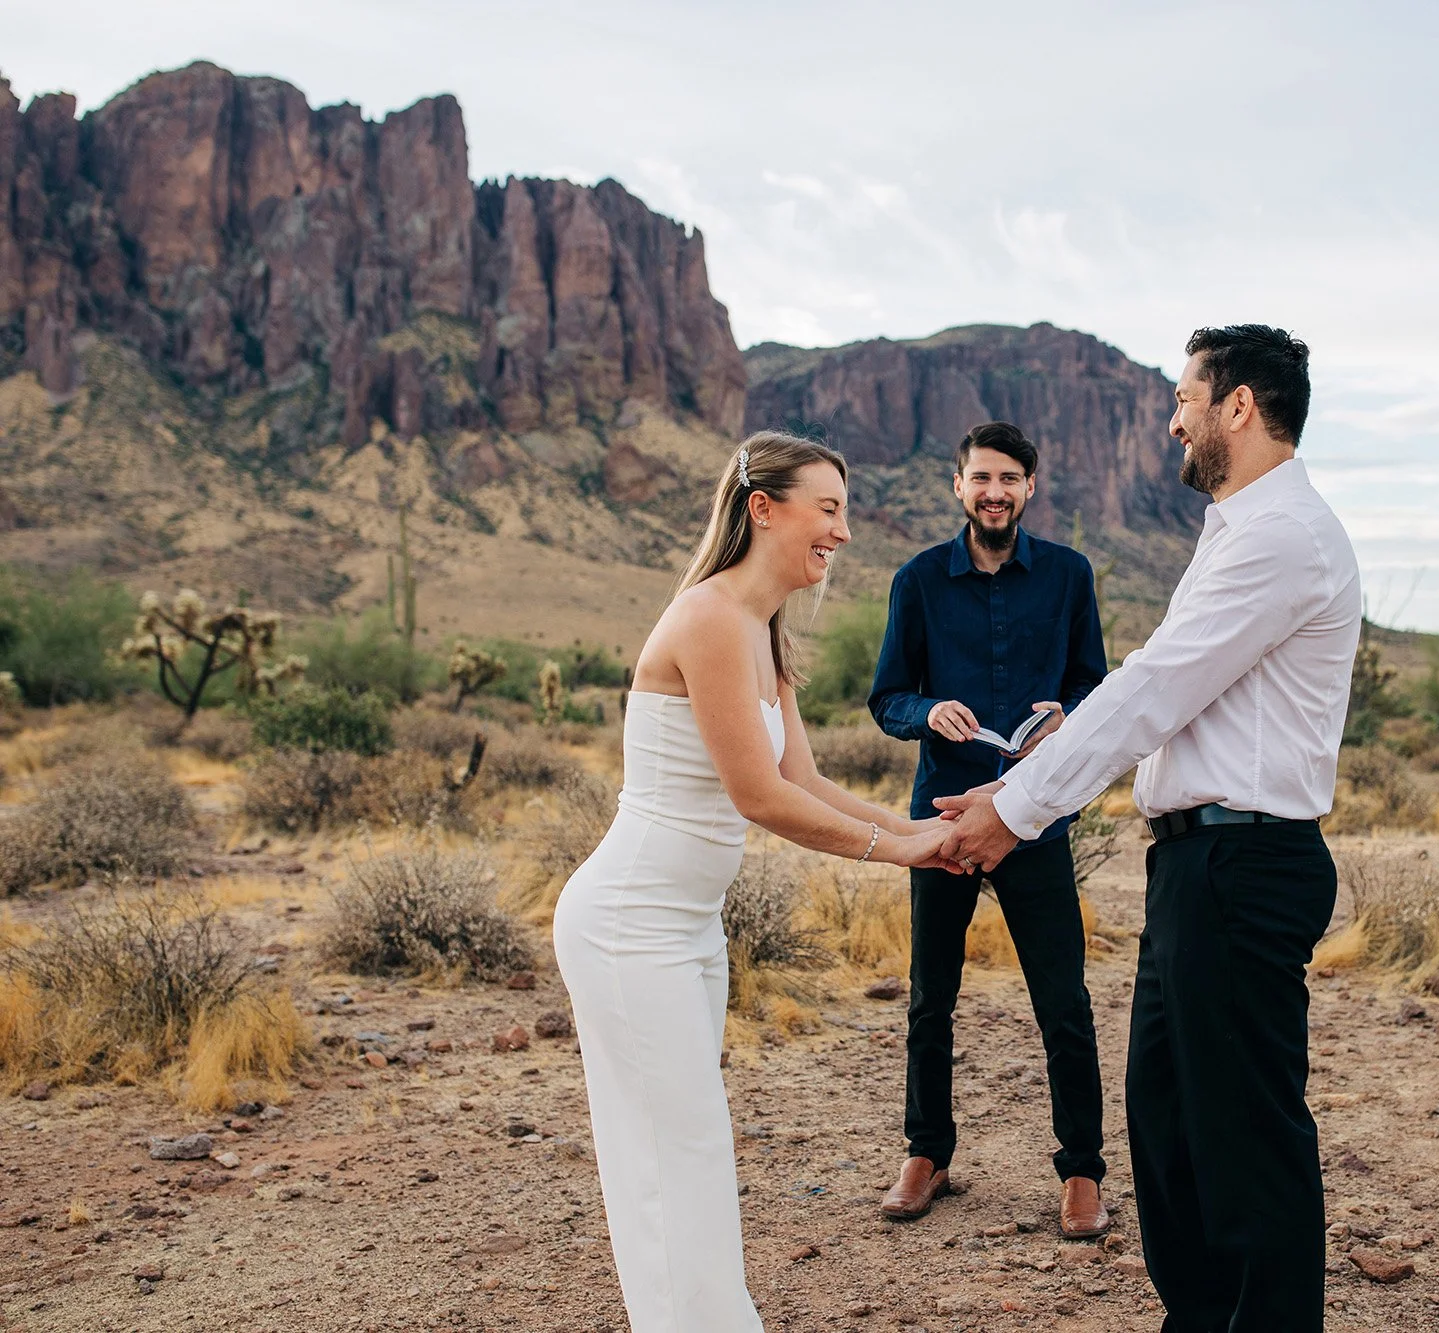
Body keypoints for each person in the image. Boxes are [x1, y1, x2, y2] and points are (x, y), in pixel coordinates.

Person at [936, 327, 1361, 1331]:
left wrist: (1013, 809)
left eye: (1183, 397)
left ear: (1239, 406)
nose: (1170, 418)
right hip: (1199, 865)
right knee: (1170, 1128)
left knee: (1244, 1137)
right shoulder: (1242, 531)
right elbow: (1165, 681)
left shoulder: (1278, 536)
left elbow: (1158, 688)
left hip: (1242, 864)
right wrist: (1055, 739)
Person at [552, 431, 953, 1333]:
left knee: (685, 1148)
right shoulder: (707, 617)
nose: (843, 533)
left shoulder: (760, 632)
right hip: (629, 924)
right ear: (763, 507)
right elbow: (760, 796)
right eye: (828, 509)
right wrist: (905, 855)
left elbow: (807, 781)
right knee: (673, 1146)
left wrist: (928, 829)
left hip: (690, 927)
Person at [867, 421, 1114, 1237]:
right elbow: (887, 696)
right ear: (958, 486)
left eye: (1009, 478)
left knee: (1064, 1001)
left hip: (1034, 815)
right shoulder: (918, 581)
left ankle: (1081, 1169)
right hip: (943, 815)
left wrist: (1064, 714)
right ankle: (927, 1152)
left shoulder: (1070, 576)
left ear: (1030, 487)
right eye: (981, 478)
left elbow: (1092, 682)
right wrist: (925, 710)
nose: (995, 492)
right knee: (931, 995)